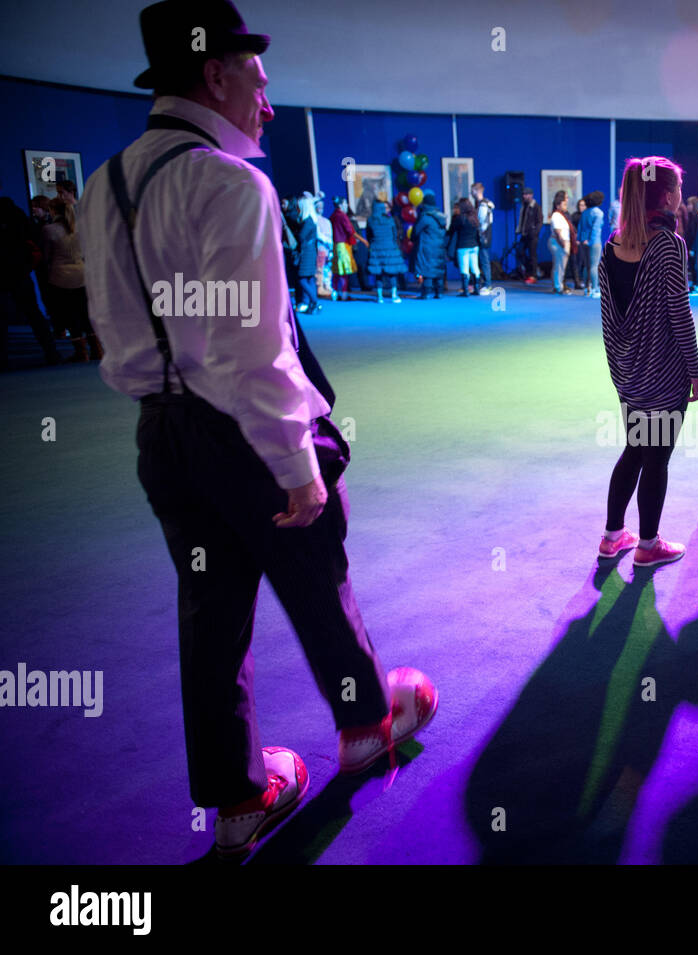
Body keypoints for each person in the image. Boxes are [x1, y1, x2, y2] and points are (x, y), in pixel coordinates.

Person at [77, 0, 435, 859]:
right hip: (242, 434)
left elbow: (116, 333)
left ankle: (238, 799)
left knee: (210, 610)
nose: (268, 104)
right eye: (258, 81)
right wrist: (296, 467)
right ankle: (364, 726)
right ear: (215, 74)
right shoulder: (229, 183)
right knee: (318, 577)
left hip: (159, 435)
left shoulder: (102, 185)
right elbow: (253, 350)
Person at [598, 157, 698, 569]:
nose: (681, 195)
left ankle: (612, 537)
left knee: (635, 451)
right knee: (655, 459)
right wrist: (694, 370)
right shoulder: (668, 246)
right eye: (678, 188)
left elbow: (609, 318)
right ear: (666, 195)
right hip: (662, 377)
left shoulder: (612, 245)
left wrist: (622, 372)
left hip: (628, 376)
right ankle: (647, 545)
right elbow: (680, 314)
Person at [0, 196, 62, 370]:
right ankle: (52, 352)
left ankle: (3, 360)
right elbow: (33, 245)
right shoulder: (18, 215)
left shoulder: (16, 216)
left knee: (3, 318)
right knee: (34, 314)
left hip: (10, 275)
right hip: (20, 274)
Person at [40, 197, 99, 361]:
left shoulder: (48, 230)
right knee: (86, 313)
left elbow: (46, 256)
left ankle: (81, 352)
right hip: (82, 274)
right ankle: (97, 349)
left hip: (60, 278)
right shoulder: (81, 228)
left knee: (70, 315)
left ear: (52, 211)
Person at [366, 196, 404, 302]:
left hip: (376, 249)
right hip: (390, 248)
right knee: (392, 272)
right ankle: (394, 295)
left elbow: (369, 235)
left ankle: (379, 296)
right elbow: (394, 234)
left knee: (378, 273)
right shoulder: (390, 220)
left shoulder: (370, 221)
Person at [410, 198, 447, 299]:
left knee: (427, 268)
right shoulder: (441, 217)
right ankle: (439, 292)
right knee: (438, 267)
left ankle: (425, 293)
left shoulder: (425, 217)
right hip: (439, 246)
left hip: (427, 246)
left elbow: (415, 232)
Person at [446, 197, 482, 296]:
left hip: (463, 246)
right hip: (474, 246)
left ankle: (465, 290)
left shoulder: (459, 219)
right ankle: (476, 288)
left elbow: (451, 230)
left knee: (464, 268)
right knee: (475, 267)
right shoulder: (474, 218)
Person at [328, 196, 358, 300]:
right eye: (345, 204)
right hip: (343, 246)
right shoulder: (342, 216)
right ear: (341, 205)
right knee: (344, 271)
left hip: (335, 245)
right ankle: (344, 294)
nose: (346, 206)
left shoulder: (332, 216)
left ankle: (335, 293)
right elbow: (349, 230)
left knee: (336, 271)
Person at [292, 194, 319, 313]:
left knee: (302, 279)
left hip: (306, 253)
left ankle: (314, 302)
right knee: (310, 279)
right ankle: (311, 303)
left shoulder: (307, 222)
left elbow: (301, 237)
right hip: (310, 252)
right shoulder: (311, 220)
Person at [579, 191, 605, 298]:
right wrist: (590, 241)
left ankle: (587, 289)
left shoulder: (585, 212)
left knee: (587, 265)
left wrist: (581, 239)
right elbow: (595, 230)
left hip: (583, 242)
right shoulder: (598, 213)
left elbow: (580, 227)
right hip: (594, 242)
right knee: (594, 265)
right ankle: (595, 289)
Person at [472, 182, 494, 294]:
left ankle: (487, 285)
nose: (471, 193)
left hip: (483, 237)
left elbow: (481, 222)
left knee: (484, 261)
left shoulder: (483, 205)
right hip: (484, 236)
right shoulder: (484, 204)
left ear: (476, 191)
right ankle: (482, 283)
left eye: (472, 191)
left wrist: (478, 232)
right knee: (481, 261)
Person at [517, 186, 542, 283]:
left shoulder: (536, 206)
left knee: (533, 255)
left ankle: (534, 275)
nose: (524, 196)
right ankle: (528, 271)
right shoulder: (524, 206)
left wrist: (535, 232)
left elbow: (539, 221)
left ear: (531, 195)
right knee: (520, 252)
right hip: (524, 234)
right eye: (523, 194)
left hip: (532, 235)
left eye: (526, 194)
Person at [548, 190, 572, 295]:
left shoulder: (561, 215)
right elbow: (558, 232)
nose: (566, 205)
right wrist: (563, 245)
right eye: (564, 203)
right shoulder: (556, 216)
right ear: (558, 205)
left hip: (561, 242)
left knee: (560, 265)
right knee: (559, 265)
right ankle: (558, 287)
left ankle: (557, 285)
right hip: (558, 242)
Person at [569, 197, 588, 291]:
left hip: (586, 242)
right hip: (577, 242)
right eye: (580, 205)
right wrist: (576, 238)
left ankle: (586, 281)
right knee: (577, 262)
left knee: (586, 262)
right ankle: (577, 281)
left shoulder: (588, 215)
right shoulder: (574, 216)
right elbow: (572, 228)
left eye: (583, 205)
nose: (582, 207)